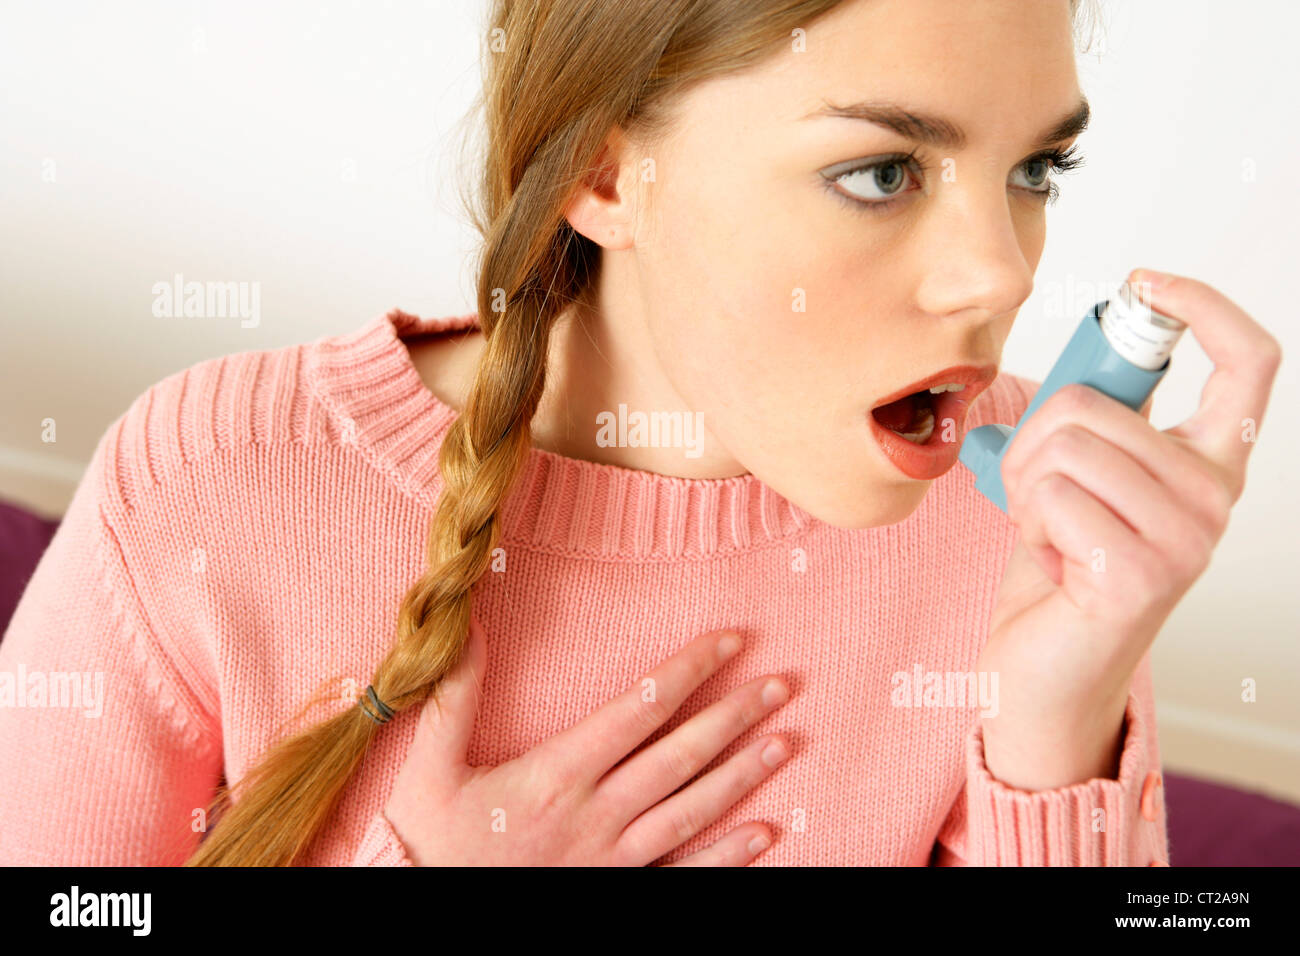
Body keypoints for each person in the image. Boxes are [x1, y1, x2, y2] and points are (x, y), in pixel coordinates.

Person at [0, 0, 1280, 866]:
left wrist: (1060, 713)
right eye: (882, 173)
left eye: (1032, 172)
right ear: (604, 178)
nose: (999, 275)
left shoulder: (1022, 519)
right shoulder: (213, 485)